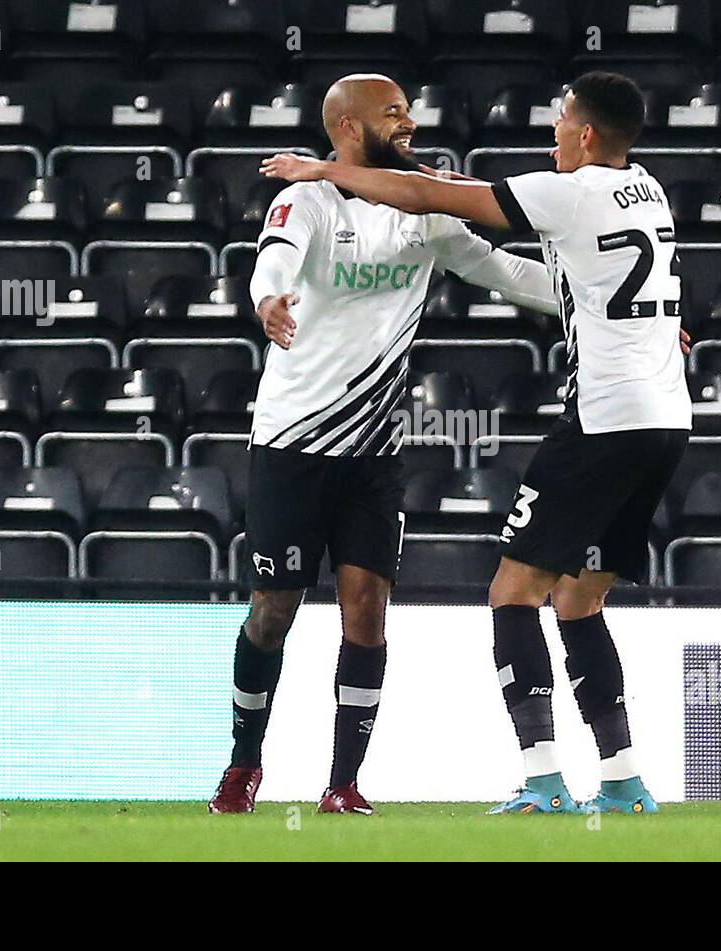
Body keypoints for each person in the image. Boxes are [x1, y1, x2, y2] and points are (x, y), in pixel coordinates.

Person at [262, 71, 692, 815]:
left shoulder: (570, 191)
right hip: (666, 417)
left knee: (511, 592)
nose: (553, 131)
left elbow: (434, 199)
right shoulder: (647, 188)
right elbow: (565, 271)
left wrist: (322, 167)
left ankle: (545, 781)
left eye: (560, 120)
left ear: (586, 134)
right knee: (582, 599)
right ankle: (623, 781)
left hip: (603, 417)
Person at [208, 74, 559, 815]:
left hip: (372, 451)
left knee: (366, 607)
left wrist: (596, 300)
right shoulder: (306, 197)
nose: (409, 121)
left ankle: (343, 782)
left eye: (407, 109)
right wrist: (267, 301)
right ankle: (243, 764)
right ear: (344, 127)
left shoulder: (422, 205)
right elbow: (270, 262)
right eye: (392, 112)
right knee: (273, 608)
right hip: (291, 442)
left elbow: (504, 271)